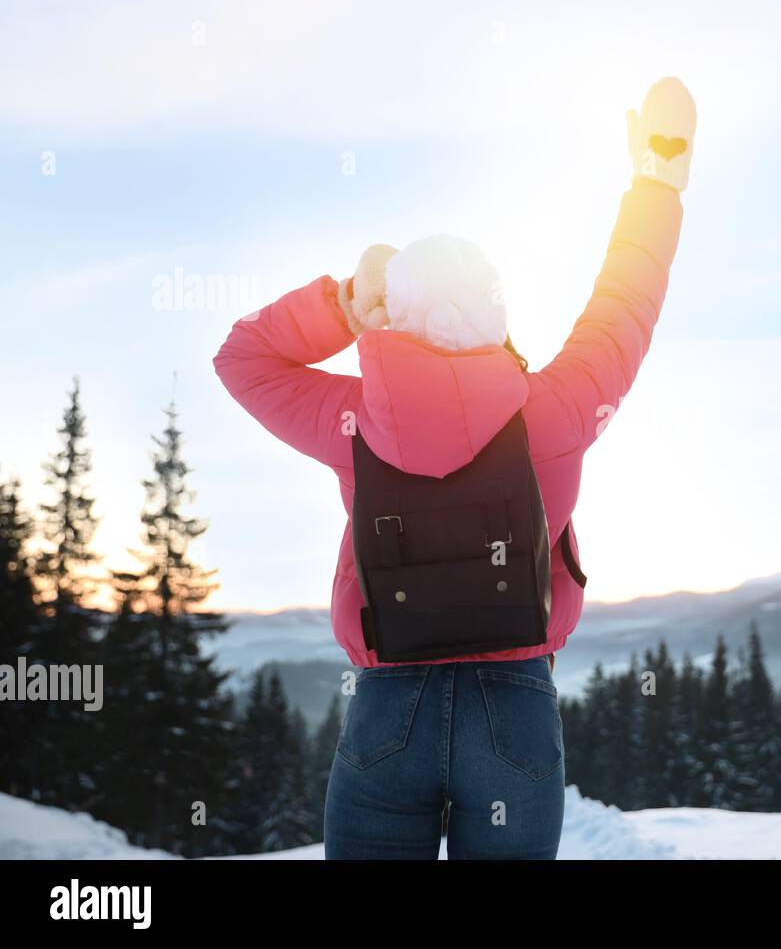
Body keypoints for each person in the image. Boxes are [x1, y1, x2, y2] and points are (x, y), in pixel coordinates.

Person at [212, 78, 695, 859]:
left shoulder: (354, 420)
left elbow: (243, 359)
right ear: (495, 315)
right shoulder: (557, 410)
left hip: (387, 709)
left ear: (394, 316)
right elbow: (626, 300)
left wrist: (343, 301)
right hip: (516, 709)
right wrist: (657, 182)